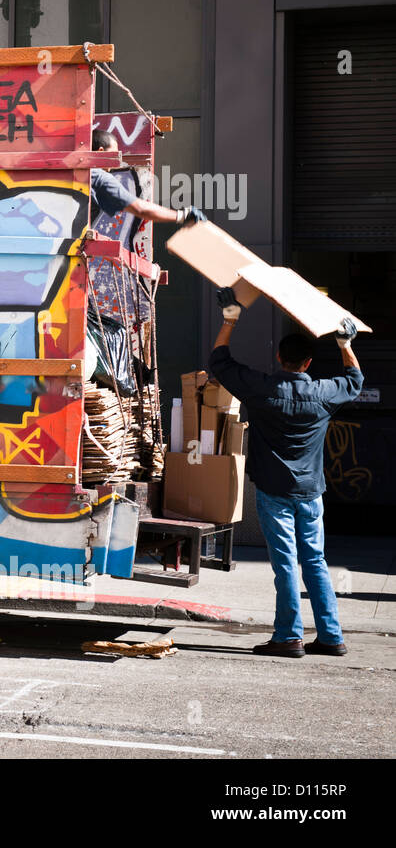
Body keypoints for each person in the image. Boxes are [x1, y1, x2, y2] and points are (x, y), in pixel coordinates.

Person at [208, 288, 363, 658]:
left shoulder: (263, 389)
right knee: (315, 560)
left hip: (274, 490)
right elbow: (355, 382)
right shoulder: (324, 393)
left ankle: (289, 636)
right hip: (311, 491)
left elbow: (219, 362)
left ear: (279, 358)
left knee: (285, 563)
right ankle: (330, 636)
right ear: (308, 363)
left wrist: (230, 318)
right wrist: (344, 344)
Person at [88, 129, 205, 325]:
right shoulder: (98, 175)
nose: (116, 164)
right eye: (114, 155)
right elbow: (140, 208)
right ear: (101, 152)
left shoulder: (74, 174)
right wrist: (182, 215)